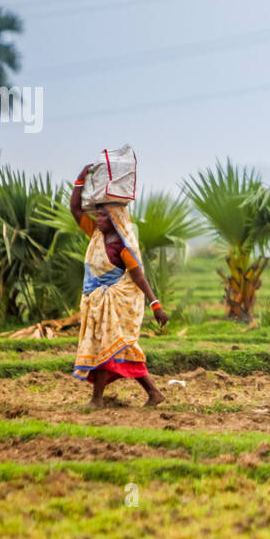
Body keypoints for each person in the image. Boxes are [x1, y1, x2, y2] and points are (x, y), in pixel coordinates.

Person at [70, 163, 169, 407]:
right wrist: (80, 179)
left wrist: (155, 304)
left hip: (115, 304)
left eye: (103, 215)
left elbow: (138, 277)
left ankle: (98, 400)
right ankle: (153, 393)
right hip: (96, 301)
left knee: (108, 348)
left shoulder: (122, 247)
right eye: (99, 215)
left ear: (115, 219)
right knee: (110, 349)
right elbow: (75, 210)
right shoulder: (95, 233)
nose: (98, 219)